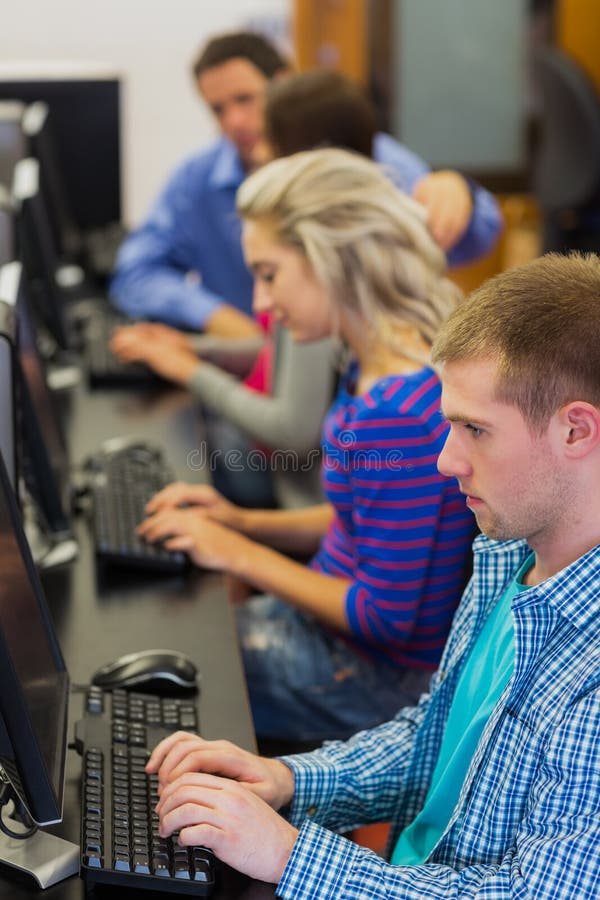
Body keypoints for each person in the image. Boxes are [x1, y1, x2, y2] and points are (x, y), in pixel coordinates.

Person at [145, 252, 600, 898]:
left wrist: (290, 857)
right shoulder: (509, 557)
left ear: (576, 431)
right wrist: (289, 779)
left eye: (475, 430)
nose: (446, 461)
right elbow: (433, 738)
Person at [136, 148, 475, 742]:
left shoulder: (393, 414)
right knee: (178, 629)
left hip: (370, 677)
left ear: (332, 259)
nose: (260, 304)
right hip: (341, 641)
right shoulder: (384, 360)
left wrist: (237, 552)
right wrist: (243, 522)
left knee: (161, 667)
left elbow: (384, 617)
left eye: (269, 274)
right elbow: (365, 517)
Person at [109, 31, 503, 334]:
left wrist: (458, 192)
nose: (234, 122)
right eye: (218, 109)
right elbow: (135, 272)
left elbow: (474, 234)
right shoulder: (195, 180)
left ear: (283, 85)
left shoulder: (366, 159)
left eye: (245, 99)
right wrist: (215, 317)